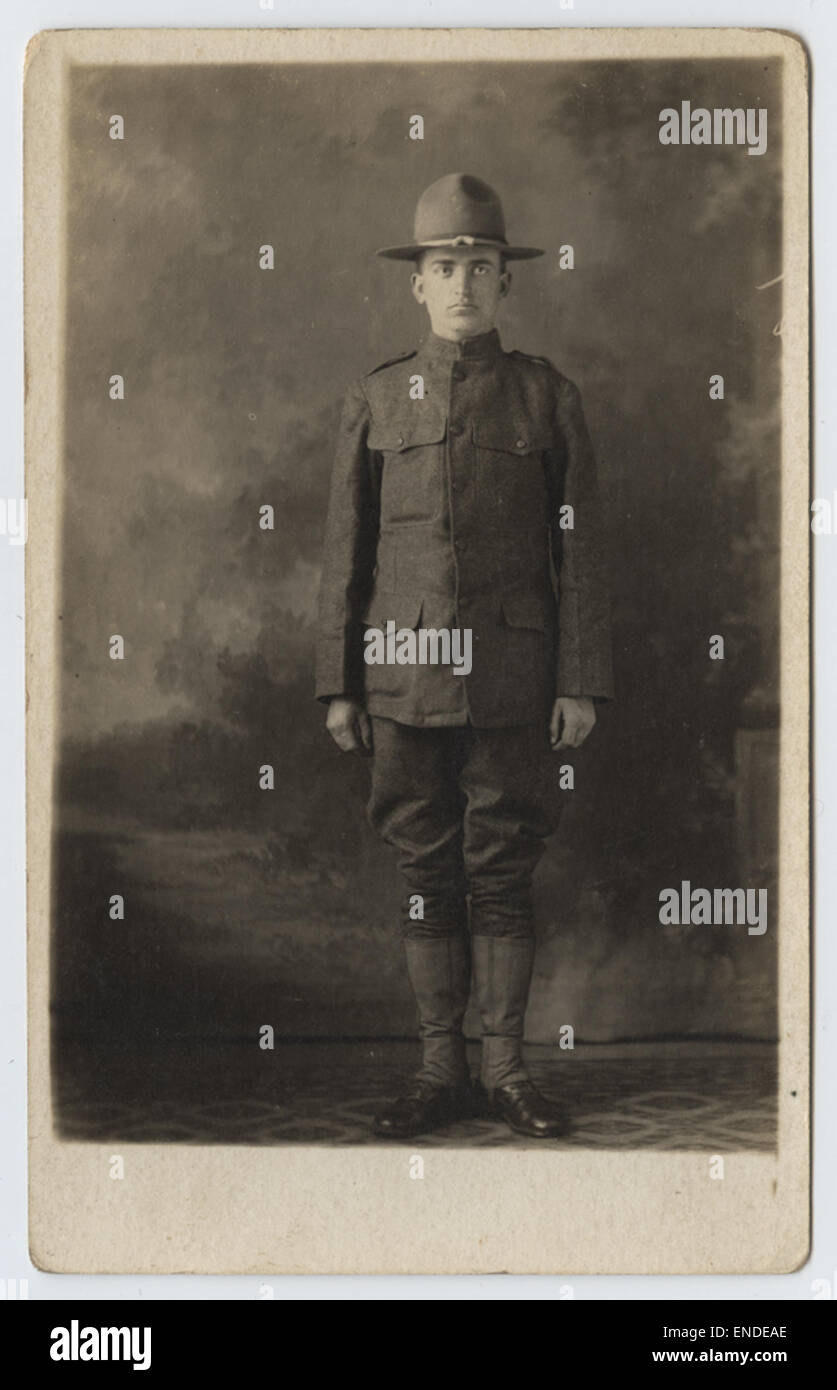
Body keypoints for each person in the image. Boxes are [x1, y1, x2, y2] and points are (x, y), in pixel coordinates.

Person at [316, 173, 614, 1139]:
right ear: (417, 282)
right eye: (444, 267)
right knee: (424, 872)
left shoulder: (545, 396)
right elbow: (345, 554)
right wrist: (339, 683)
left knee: (500, 872)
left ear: (505, 281)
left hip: (515, 682)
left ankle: (508, 1074)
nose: (462, 285)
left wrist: (578, 679)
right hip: (400, 675)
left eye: (480, 267)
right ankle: (438, 1072)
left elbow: (584, 551)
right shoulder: (372, 397)